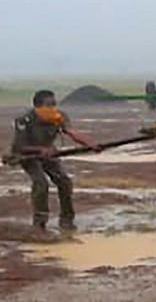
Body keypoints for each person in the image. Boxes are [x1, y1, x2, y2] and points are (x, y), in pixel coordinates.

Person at [8, 90, 99, 232]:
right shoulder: (24, 120)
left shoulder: (60, 117)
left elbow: (72, 132)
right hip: (28, 156)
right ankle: (40, 222)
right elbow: (19, 147)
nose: (53, 109)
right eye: (49, 105)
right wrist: (40, 150)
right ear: (38, 107)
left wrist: (90, 144)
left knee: (64, 181)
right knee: (41, 184)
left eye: (54, 104)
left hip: (49, 154)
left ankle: (67, 219)